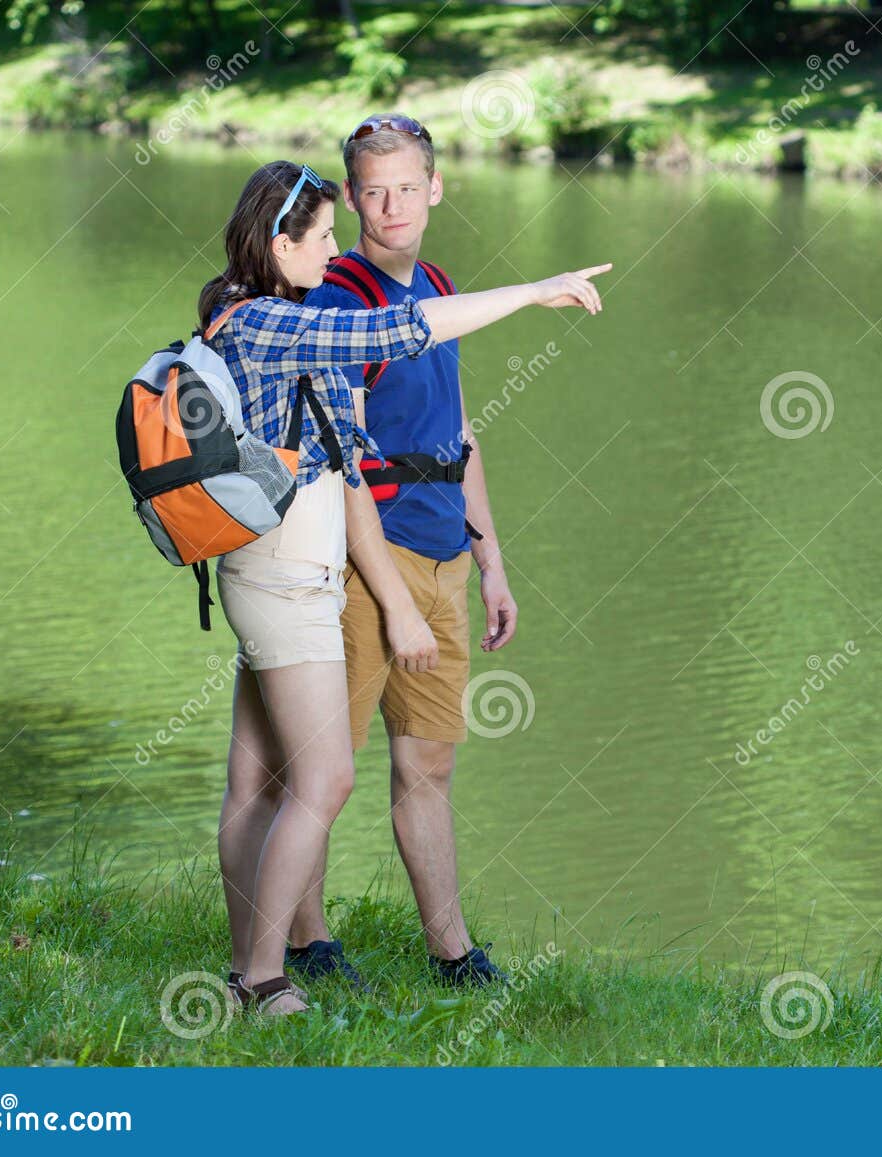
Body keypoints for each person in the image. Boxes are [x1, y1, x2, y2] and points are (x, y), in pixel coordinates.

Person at [199, 159, 610, 1014]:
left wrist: (485, 553)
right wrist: (535, 291)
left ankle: (253, 959)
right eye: (320, 239)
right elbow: (408, 330)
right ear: (283, 243)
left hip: (261, 563)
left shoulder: (233, 308)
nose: (334, 251)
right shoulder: (286, 323)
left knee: (257, 783)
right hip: (290, 574)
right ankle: (263, 977)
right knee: (322, 783)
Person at [290, 114, 513, 988]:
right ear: (349, 199)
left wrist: (490, 557)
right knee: (321, 773)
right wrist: (390, 599)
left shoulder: (441, 286)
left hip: (441, 557)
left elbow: (458, 432)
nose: (391, 208)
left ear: (436, 188)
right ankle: (305, 944)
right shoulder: (340, 300)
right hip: (358, 566)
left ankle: (452, 954)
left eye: (407, 189)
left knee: (428, 763)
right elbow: (343, 466)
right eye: (373, 192)